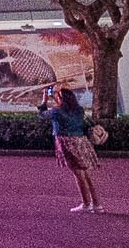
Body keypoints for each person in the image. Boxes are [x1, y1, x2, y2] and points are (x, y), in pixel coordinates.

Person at [40, 83, 104, 212]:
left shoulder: (57, 112)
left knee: (78, 174)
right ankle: (96, 204)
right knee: (85, 173)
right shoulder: (78, 109)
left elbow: (42, 114)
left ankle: (86, 204)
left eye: (58, 95)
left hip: (67, 142)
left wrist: (44, 100)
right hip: (81, 141)